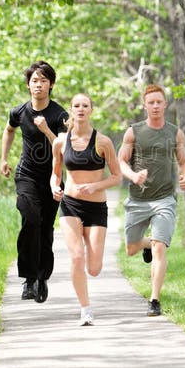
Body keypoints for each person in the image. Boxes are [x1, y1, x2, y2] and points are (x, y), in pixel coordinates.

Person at [118, 84, 185, 316]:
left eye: (159, 102)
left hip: (164, 198)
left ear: (165, 104)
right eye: (151, 102)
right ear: (145, 105)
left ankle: (154, 299)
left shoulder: (174, 132)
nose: (156, 106)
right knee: (130, 249)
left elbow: (183, 161)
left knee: (161, 248)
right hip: (138, 199)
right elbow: (121, 162)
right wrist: (133, 176)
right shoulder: (134, 132)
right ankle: (146, 243)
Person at [50, 93, 121, 326]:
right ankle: (85, 309)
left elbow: (117, 177)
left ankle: (87, 302)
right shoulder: (60, 142)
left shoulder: (103, 142)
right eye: (76, 105)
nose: (81, 109)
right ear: (71, 110)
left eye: (85, 105)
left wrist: (95, 186)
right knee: (77, 257)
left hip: (96, 207)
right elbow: (55, 173)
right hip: (70, 203)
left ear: (91, 110)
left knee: (94, 267)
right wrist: (54, 187)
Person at [0, 60, 68, 303]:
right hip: (26, 175)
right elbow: (8, 130)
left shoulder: (60, 115)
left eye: (43, 80)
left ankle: (42, 277)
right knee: (30, 219)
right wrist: (3, 159)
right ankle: (28, 279)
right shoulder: (19, 112)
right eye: (34, 80)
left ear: (50, 85)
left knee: (45, 228)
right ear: (28, 85)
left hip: (54, 178)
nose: (38, 84)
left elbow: (63, 150)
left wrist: (47, 130)